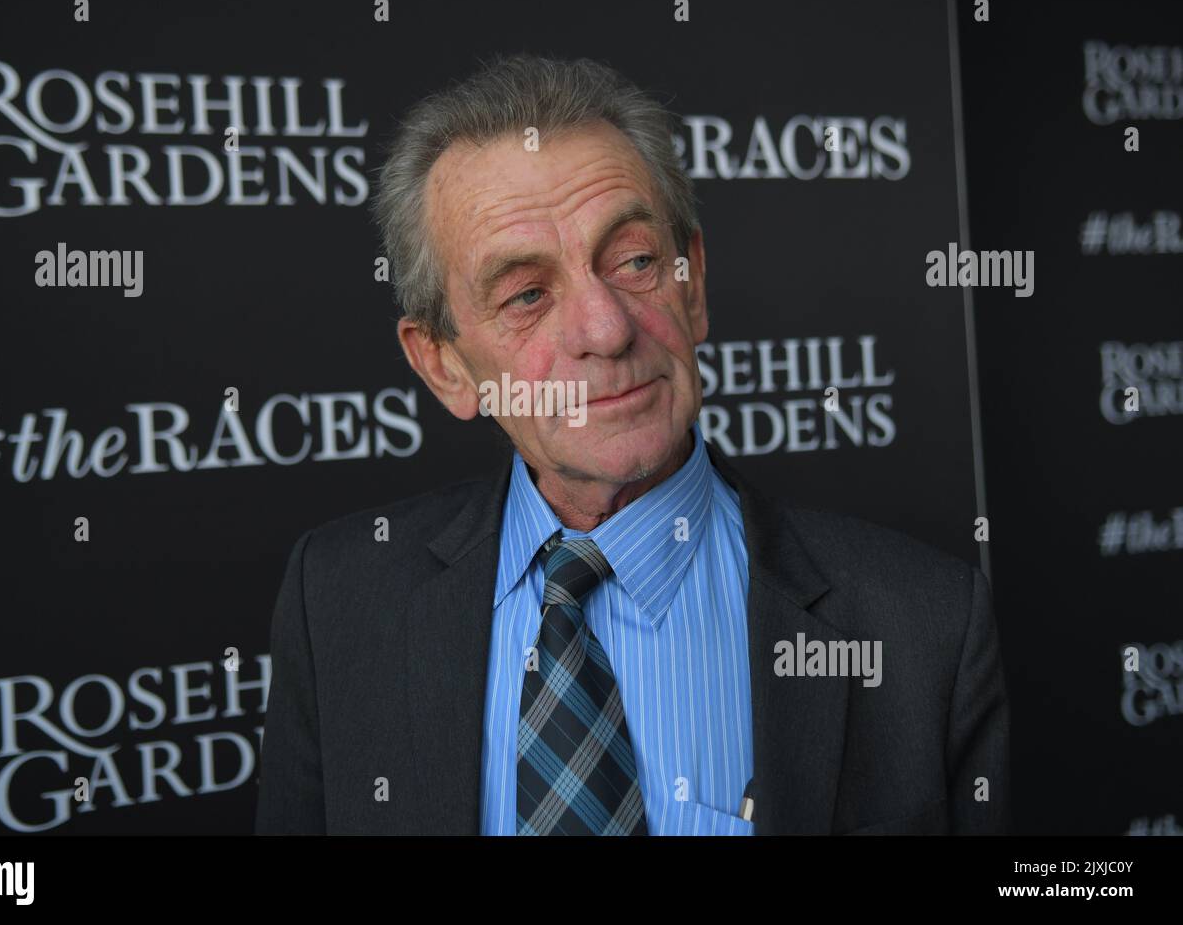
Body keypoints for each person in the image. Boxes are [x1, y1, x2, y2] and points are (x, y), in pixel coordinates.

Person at [255, 53, 1009, 835]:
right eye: (527, 295)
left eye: (636, 260)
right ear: (443, 364)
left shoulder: (920, 629)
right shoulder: (338, 602)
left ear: (694, 283)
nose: (608, 329)